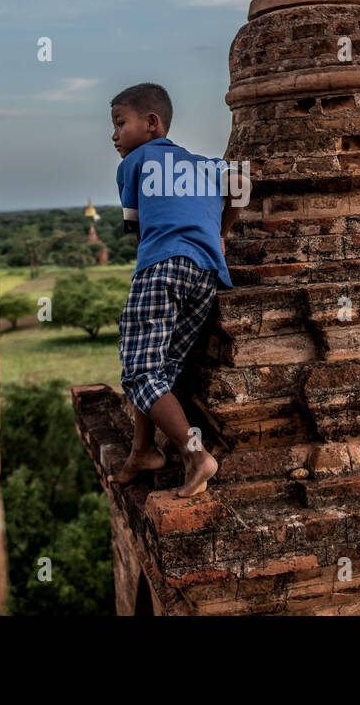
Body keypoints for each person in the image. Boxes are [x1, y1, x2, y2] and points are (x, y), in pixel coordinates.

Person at [108, 82, 250, 497]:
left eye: (120, 123)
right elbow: (242, 183)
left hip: (162, 268)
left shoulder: (133, 164)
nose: (114, 136)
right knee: (162, 370)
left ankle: (194, 455)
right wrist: (219, 234)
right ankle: (143, 451)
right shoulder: (204, 164)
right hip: (206, 273)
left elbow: (135, 231)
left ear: (152, 123)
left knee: (138, 371)